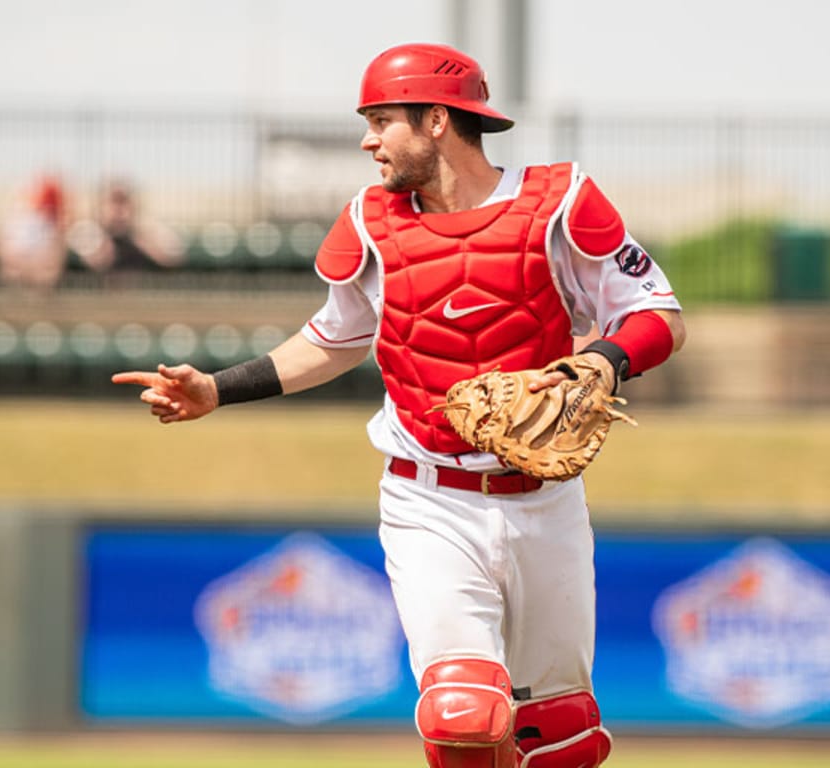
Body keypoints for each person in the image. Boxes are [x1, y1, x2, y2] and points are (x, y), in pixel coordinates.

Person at [113, 43, 684, 768]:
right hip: (430, 498)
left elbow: (659, 314)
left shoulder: (559, 202)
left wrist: (599, 360)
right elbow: (331, 340)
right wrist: (218, 389)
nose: (367, 139)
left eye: (383, 120)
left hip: (545, 497)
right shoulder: (371, 222)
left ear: (438, 120)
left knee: (561, 733)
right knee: (463, 716)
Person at [77, 179, 182, 281]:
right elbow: (98, 262)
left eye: (123, 202)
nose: (118, 210)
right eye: (113, 202)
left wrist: (139, 235)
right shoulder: (89, 229)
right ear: (100, 205)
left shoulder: (147, 228)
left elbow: (172, 258)